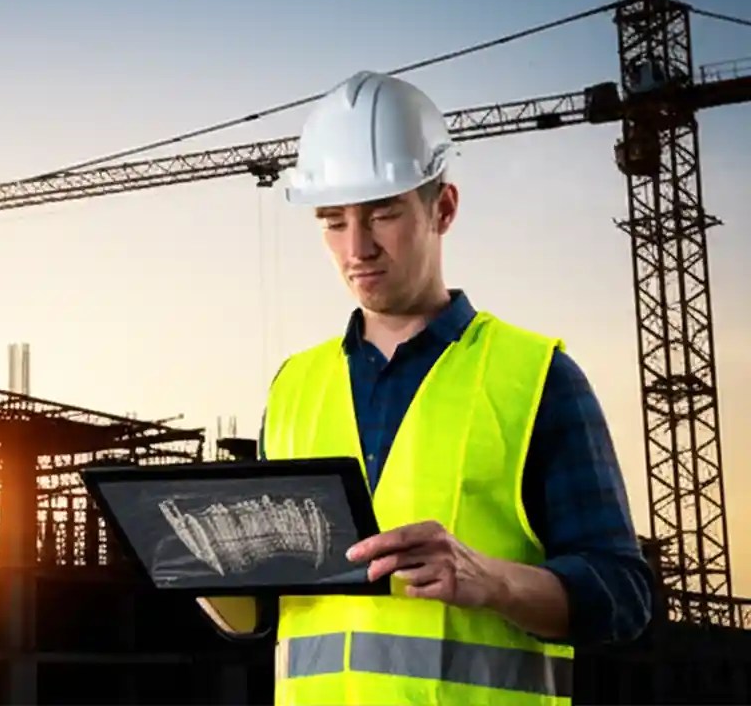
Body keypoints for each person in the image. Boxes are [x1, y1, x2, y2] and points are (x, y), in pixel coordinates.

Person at [197, 70, 653, 705]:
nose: (357, 248)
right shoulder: (294, 387)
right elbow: (272, 618)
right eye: (333, 222)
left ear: (443, 208)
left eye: (383, 214)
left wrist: (492, 581)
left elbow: (622, 598)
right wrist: (208, 574)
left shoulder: (535, 377)